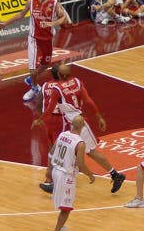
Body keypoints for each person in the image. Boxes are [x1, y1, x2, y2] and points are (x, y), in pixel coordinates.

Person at [36, 64, 127, 195]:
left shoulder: (57, 89)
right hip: (79, 121)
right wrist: (99, 116)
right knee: (84, 152)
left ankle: (55, 182)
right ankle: (115, 175)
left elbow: (50, 108)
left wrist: (40, 119)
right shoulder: (77, 82)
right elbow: (88, 100)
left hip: (72, 122)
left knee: (61, 151)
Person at [0, 0, 68, 101]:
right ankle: (34, 88)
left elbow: (63, 17)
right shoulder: (31, 2)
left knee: (45, 64)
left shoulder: (53, 3)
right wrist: (5, 23)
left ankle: (30, 80)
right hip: (34, 39)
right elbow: (20, 15)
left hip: (48, 39)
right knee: (33, 71)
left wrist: (52, 23)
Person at [46, 115, 95, 231]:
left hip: (56, 171)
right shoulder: (80, 143)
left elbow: (51, 152)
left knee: (61, 203)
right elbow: (81, 164)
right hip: (66, 176)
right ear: (83, 127)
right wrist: (90, 175)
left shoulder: (62, 135)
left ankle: (61, 229)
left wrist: (48, 170)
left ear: (71, 124)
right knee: (66, 208)